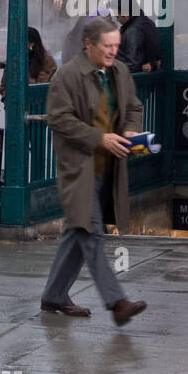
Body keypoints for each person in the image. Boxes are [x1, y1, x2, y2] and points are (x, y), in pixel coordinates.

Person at [40, 16, 148, 325]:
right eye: (107, 46)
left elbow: (133, 108)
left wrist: (129, 130)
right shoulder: (68, 76)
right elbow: (59, 119)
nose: (113, 51)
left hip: (108, 169)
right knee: (91, 232)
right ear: (89, 45)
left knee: (77, 230)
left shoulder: (120, 72)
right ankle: (117, 303)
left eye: (117, 45)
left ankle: (54, 295)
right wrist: (99, 137)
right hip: (79, 169)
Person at [0, 26, 59, 101]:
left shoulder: (47, 61)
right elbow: (3, 88)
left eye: (21, 42)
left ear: (31, 44)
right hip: (16, 106)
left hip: (38, 106)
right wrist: (8, 98)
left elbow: (38, 87)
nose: (17, 45)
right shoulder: (14, 60)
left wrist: (22, 75)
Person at [117, 0, 162, 73]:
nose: (117, 20)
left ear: (126, 13)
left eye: (118, 17)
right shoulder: (147, 23)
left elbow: (133, 65)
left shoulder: (133, 31)